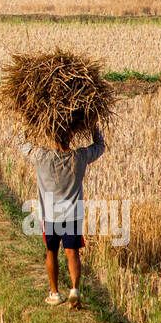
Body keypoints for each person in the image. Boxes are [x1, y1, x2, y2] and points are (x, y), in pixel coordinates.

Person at [20, 126, 105, 308]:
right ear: (71, 136)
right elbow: (100, 145)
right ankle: (74, 289)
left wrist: (27, 122)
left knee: (51, 252)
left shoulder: (42, 157)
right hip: (72, 215)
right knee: (72, 252)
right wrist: (93, 126)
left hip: (50, 216)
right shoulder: (79, 158)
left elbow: (23, 144)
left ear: (52, 137)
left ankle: (54, 293)